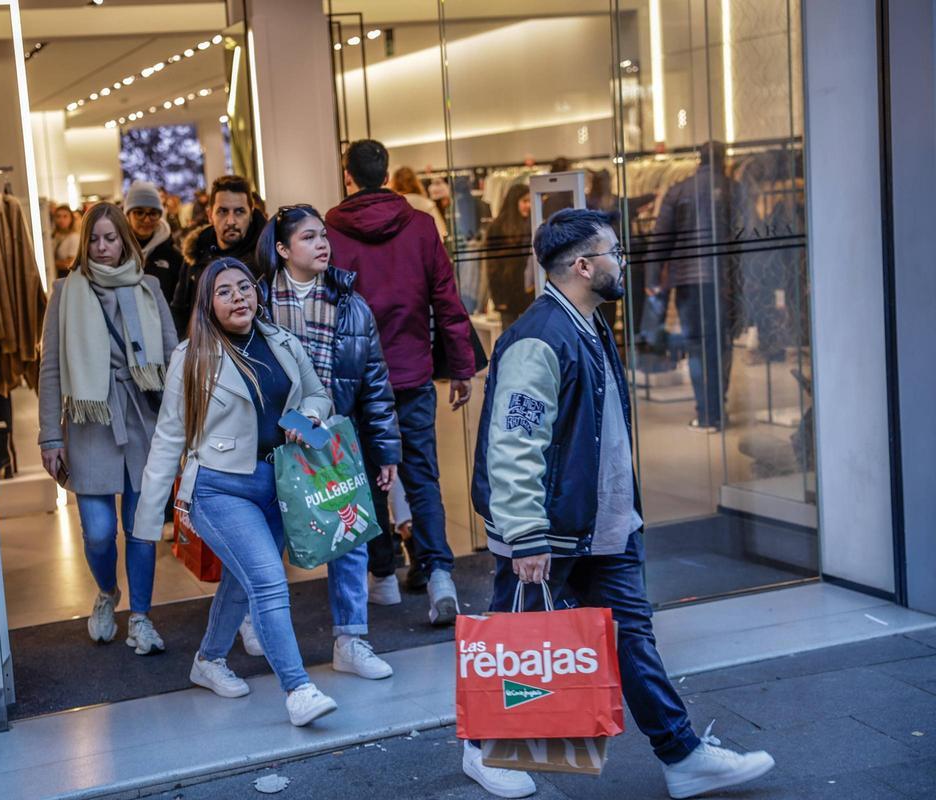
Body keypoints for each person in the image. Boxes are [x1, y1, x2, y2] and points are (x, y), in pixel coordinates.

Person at [466, 208, 775, 799]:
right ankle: (482, 750)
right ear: (584, 266)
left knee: (632, 635)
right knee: (519, 643)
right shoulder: (539, 339)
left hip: (602, 525)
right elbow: (514, 443)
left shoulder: (585, 323)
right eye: (613, 251)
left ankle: (682, 755)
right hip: (550, 531)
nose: (622, 261)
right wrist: (527, 536)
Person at [133, 257, 339, 727]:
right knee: (267, 580)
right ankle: (298, 689)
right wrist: (148, 521)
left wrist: (306, 417)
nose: (238, 297)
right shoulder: (191, 357)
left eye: (244, 287)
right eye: (224, 292)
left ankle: (208, 660)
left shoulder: (282, 342)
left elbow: (318, 395)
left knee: (241, 582)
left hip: (279, 484)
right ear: (208, 304)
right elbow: (168, 438)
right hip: (218, 488)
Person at [325, 139, 476, 627]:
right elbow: (446, 302)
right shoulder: (420, 226)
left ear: (349, 176)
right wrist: (460, 365)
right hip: (410, 375)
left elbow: (326, 314)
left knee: (365, 478)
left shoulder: (331, 233)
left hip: (356, 381)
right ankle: (439, 577)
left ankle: (384, 577)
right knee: (421, 476)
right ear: (386, 174)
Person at [256, 204, 400, 680]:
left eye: (324, 236)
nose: (323, 245)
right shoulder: (257, 303)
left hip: (334, 436)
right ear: (282, 249)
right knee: (269, 537)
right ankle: (253, 620)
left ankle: (351, 639)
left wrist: (386, 451)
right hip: (272, 441)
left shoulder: (350, 303)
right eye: (309, 238)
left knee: (348, 535)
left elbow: (375, 383)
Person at [38, 203, 178, 654]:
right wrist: (49, 436)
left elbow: (175, 358)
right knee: (98, 530)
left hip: (144, 417)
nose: (102, 247)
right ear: (85, 243)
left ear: (124, 241)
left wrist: (182, 427)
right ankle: (106, 593)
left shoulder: (149, 287)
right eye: (94, 239)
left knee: (142, 526)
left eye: (110, 238)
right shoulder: (66, 291)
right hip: (90, 419)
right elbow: (50, 370)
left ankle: (140, 617)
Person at [652, 141, 746, 431]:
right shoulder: (734, 188)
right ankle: (719, 410)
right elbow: (747, 234)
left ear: (698, 160)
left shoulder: (679, 190)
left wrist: (654, 279)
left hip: (689, 279)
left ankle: (705, 413)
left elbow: (661, 238)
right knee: (721, 345)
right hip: (724, 280)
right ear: (723, 160)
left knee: (696, 347)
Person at [174, 175, 268, 330]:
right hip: (203, 348)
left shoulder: (266, 257)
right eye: (223, 212)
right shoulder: (196, 254)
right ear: (210, 215)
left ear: (251, 214)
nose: (231, 221)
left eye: (239, 212)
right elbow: (180, 310)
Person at [124, 181, 183, 322]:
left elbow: (180, 301)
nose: (146, 219)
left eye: (153, 213)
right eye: (139, 213)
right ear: (128, 214)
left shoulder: (172, 255)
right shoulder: (117, 251)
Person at [485, 184, 535, 330]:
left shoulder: (532, 224)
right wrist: (498, 298)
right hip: (507, 295)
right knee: (511, 341)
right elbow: (492, 265)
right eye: (525, 201)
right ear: (514, 202)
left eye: (530, 201)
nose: (529, 205)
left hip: (529, 293)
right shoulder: (498, 227)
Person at [390, 166, 448, 240]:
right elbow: (440, 233)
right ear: (415, 182)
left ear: (394, 183)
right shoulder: (427, 204)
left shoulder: (391, 205)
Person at [52, 204, 79, 279]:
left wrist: (52, 263)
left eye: (65, 216)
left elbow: (70, 263)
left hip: (67, 276)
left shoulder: (74, 237)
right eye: (58, 216)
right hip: (55, 275)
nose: (61, 220)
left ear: (71, 219)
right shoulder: (54, 236)